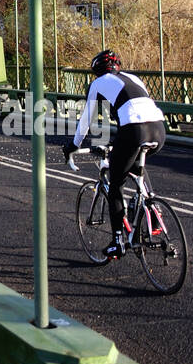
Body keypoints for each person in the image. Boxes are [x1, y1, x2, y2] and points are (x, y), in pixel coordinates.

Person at [63, 49, 166, 259]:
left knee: (116, 183)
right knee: (137, 170)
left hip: (134, 129)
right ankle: (151, 211)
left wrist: (73, 145)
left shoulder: (98, 83)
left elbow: (87, 119)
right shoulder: (132, 77)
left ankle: (117, 241)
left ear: (97, 70)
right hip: (158, 128)